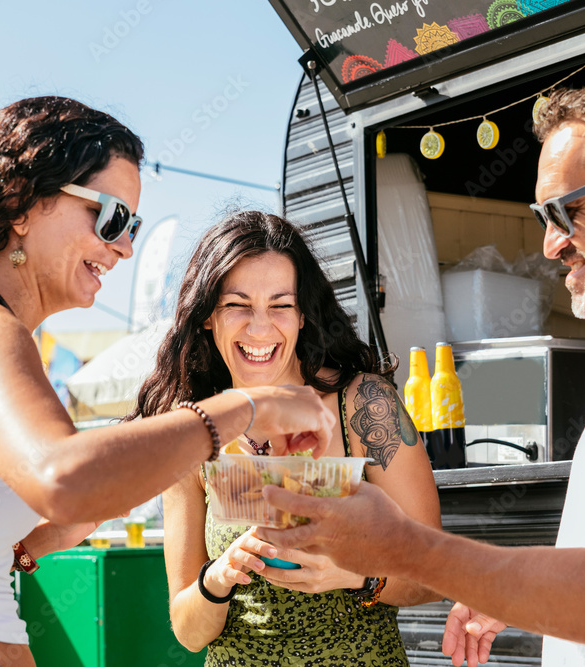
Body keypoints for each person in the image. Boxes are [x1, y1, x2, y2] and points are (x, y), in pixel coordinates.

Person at [255, 76, 585, 666]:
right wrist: (515, 586)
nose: (550, 244)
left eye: (564, 211)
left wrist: (405, 547)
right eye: (543, 217)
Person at [0, 98, 336, 667]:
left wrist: (52, 531)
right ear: (23, 203)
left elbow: (7, 528)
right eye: (112, 217)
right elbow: (64, 477)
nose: (124, 247)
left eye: (133, 226)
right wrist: (248, 406)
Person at [129, 211, 441, 666]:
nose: (260, 327)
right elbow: (189, 632)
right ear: (207, 317)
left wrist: (356, 576)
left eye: (280, 305)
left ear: (302, 316)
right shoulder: (192, 431)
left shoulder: (364, 403)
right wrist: (219, 577)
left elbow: (433, 573)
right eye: (237, 304)